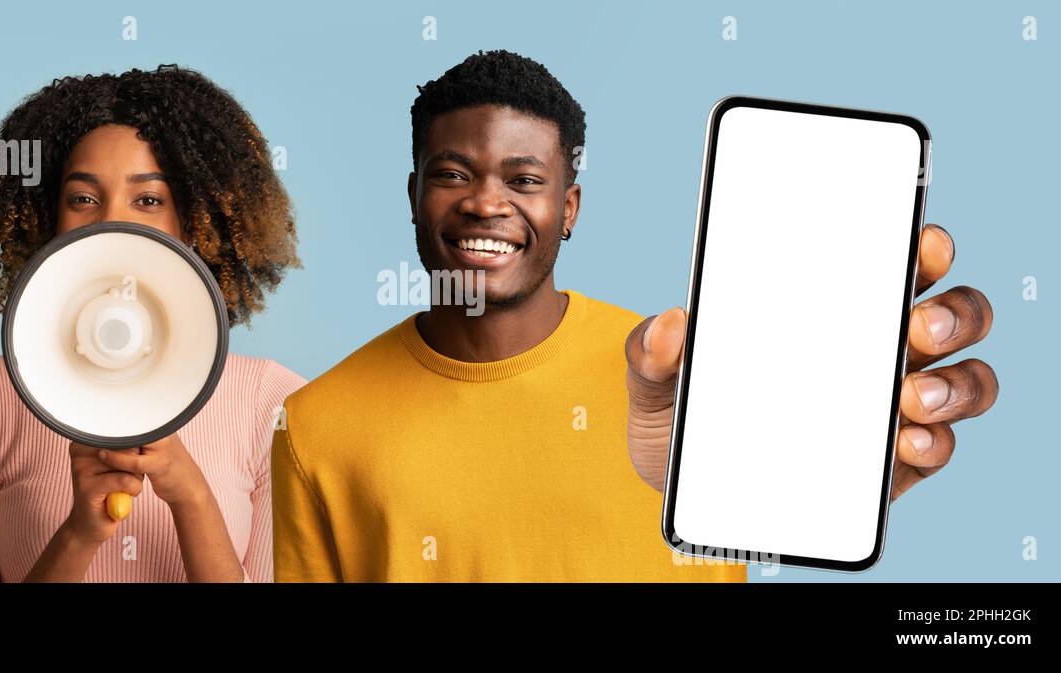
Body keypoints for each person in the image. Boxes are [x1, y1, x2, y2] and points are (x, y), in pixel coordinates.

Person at [271, 50, 999, 582]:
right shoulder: (312, 424)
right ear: (412, 194)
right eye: (453, 174)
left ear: (570, 209)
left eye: (525, 180)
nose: (486, 203)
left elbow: (758, 545)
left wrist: (834, 459)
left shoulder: (683, 371)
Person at [0, 65, 304, 582]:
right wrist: (82, 531)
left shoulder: (272, 404)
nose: (112, 223)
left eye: (148, 200)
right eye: (83, 199)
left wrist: (191, 497)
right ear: (45, 217)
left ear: (194, 222)